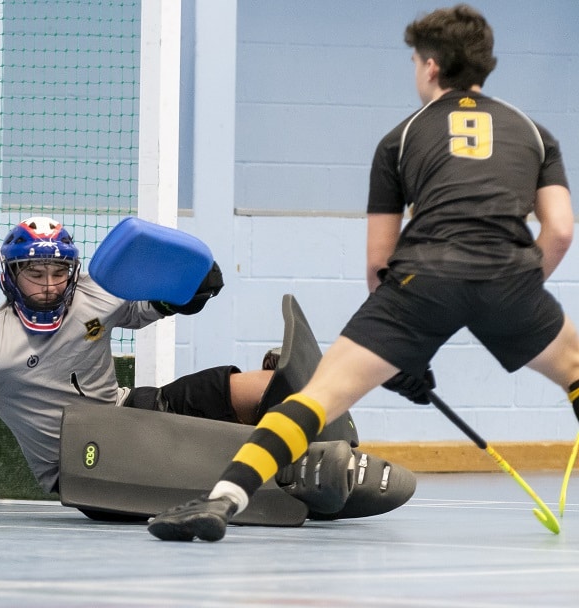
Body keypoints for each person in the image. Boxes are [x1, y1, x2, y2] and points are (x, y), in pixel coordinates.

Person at [147, 3, 579, 542]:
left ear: (429, 67)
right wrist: (515, 290)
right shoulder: (536, 134)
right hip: (512, 275)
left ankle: (221, 502)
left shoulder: (400, 138)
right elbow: (560, 231)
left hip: (421, 280)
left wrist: (401, 353)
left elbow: (379, 261)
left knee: (316, 397)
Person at [0, 216, 406, 522]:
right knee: (213, 450)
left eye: (58, 271)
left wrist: (192, 287)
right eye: (34, 272)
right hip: (86, 466)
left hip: (131, 412)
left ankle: (313, 440)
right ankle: (295, 478)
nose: (48, 284)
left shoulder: (91, 297)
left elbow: (154, 306)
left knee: (261, 385)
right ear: (11, 276)